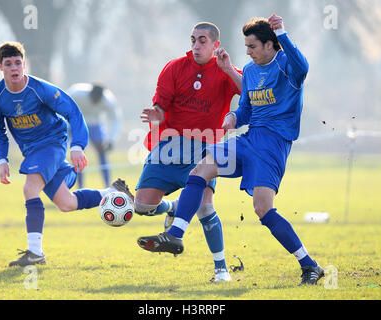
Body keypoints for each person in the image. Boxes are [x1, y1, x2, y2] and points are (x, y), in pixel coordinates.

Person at [137, 14, 325, 286]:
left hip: (273, 145)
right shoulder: (249, 70)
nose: (247, 52)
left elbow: (302, 65)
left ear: (270, 45)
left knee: (263, 210)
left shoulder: (286, 65)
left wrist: (281, 32)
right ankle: (175, 234)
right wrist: (234, 118)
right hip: (248, 139)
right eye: (246, 46)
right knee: (201, 169)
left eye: (252, 47)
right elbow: (247, 108)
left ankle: (310, 265)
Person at [0, 42, 127, 267]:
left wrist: (77, 146)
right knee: (66, 202)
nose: (14, 68)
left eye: (18, 63)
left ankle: (35, 252)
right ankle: (113, 191)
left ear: (24, 64)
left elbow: (73, 111)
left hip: (52, 143)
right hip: (32, 151)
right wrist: (2, 159)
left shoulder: (40, 89)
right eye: (8, 64)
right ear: (0, 67)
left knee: (29, 188)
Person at [121, 22, 242, 282]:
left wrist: (229, 69)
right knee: (142, 206)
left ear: (215, 45)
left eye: (202, 41)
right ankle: (175, 207)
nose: (196, 46)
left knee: (206, 206)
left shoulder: (224, 71)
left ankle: (221, 270)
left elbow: (248, 93)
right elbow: (161, 103)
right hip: (169, 144)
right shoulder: (175, 67)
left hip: (205, 145)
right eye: (193, 40)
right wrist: (157, 113)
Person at [68, 83, 122, 188]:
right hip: (78, 123)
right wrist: (68, 125)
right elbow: (63, 105)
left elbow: (115, 119)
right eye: (93, 98)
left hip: (96, 124)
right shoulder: (77, 93)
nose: (95, 101)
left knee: (102, 151)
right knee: (79, 154)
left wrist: (111, 139)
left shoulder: (108, 100)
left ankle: (107, 186)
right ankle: (80, 187)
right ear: (90, 94)